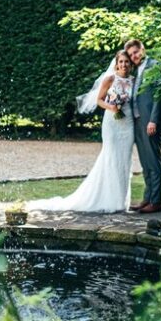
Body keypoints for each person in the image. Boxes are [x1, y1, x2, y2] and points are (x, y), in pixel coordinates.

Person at [30, 50, 135, 213]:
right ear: (116, 64)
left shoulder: (134, 81)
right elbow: (99, 100)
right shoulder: (110, 79)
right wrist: (112, 107)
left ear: (131, 64)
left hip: (127, 124)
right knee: (111, 158)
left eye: (126, 61)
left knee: (124, 160)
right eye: (121, 61)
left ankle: (121, 201)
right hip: (112, 124)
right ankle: (110, 200)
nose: (124, 64)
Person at [125, 39, 161, 214]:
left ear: (142, 49)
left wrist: (154, 120)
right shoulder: (136, 70)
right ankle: (147, 198)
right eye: (131, 54)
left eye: (135, 52)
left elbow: (160, 95)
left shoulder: (155, 66)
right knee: (145, 162)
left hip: (150, 121)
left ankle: (156, 201)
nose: (134, 56)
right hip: (138, 121)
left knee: (153, 160)